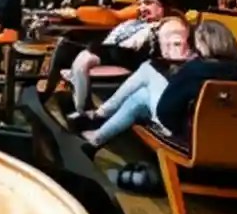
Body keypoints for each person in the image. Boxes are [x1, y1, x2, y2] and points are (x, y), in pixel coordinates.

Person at [40, 0, 175, 114]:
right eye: (140, 4)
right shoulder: (132, 22)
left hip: (126, 57)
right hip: (110, 51)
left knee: (83, 60)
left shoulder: (164, 27)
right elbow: (111, 38)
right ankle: (49, 91)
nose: (142, 7)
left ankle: (84, 109)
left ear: (162, 7)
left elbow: (137, 47)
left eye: (148, 3)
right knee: (64, 46)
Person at [75, 16, 196, 148]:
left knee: (148, 69)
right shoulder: (204, 64)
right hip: (189, 123)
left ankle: (101, 113)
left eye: (176, 42)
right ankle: (98, 135)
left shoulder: (196, 66)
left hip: (180, 126)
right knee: (141, 95)